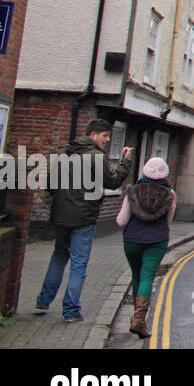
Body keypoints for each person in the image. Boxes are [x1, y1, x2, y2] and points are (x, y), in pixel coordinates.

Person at [35, 119, 133, 321]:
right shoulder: (96, 157)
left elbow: (51, 185)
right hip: (83, 218)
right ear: (93, 135)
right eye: (105, 136)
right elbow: (113, 181)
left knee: (59, 255)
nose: (106, 140)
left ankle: (43, 301)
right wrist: (126, 162)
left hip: (60, 216)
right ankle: (70, 311)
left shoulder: (64, 153)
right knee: (79, 264)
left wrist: (63, 200)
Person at [116, 157, 176, 339]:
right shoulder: (170, 195)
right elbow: (168, 222)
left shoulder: (132, 191)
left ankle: (137, 319)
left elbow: (121, 221)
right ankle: (139, 320)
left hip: (132, 241)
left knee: (136, 275)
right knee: (147, 276)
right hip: (157, 241)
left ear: (145, 172)